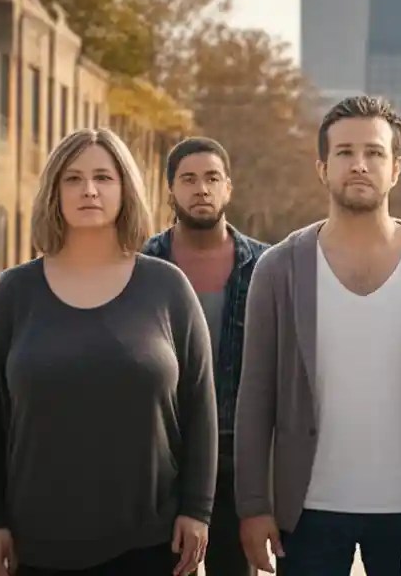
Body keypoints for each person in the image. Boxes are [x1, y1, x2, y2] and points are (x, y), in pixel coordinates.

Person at [235, 95, 401, 576]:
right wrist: (254, 506)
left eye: (374, 153)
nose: (359, 165)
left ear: (396, 168)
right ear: (322, 168)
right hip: (308, 511)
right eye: (344, 153)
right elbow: (256, 395)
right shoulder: (278, 269)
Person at [0, 128, 217, 575]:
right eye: (72, 179)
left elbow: (199, 406)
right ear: (53, 191)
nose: (88, 190)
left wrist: (198, 509)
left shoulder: (166, 287)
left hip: (151, 541)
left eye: (102, 177)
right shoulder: (15, 292)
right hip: (37, 544)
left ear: (124, 188)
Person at [143, 137, 268, 576]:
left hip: (236, 461)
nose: (201, 189)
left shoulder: (265, 268)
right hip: (159, 459)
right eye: (189, 179)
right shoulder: (140, 265)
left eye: (212, 178)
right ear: (170, 191)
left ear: (228, 188)